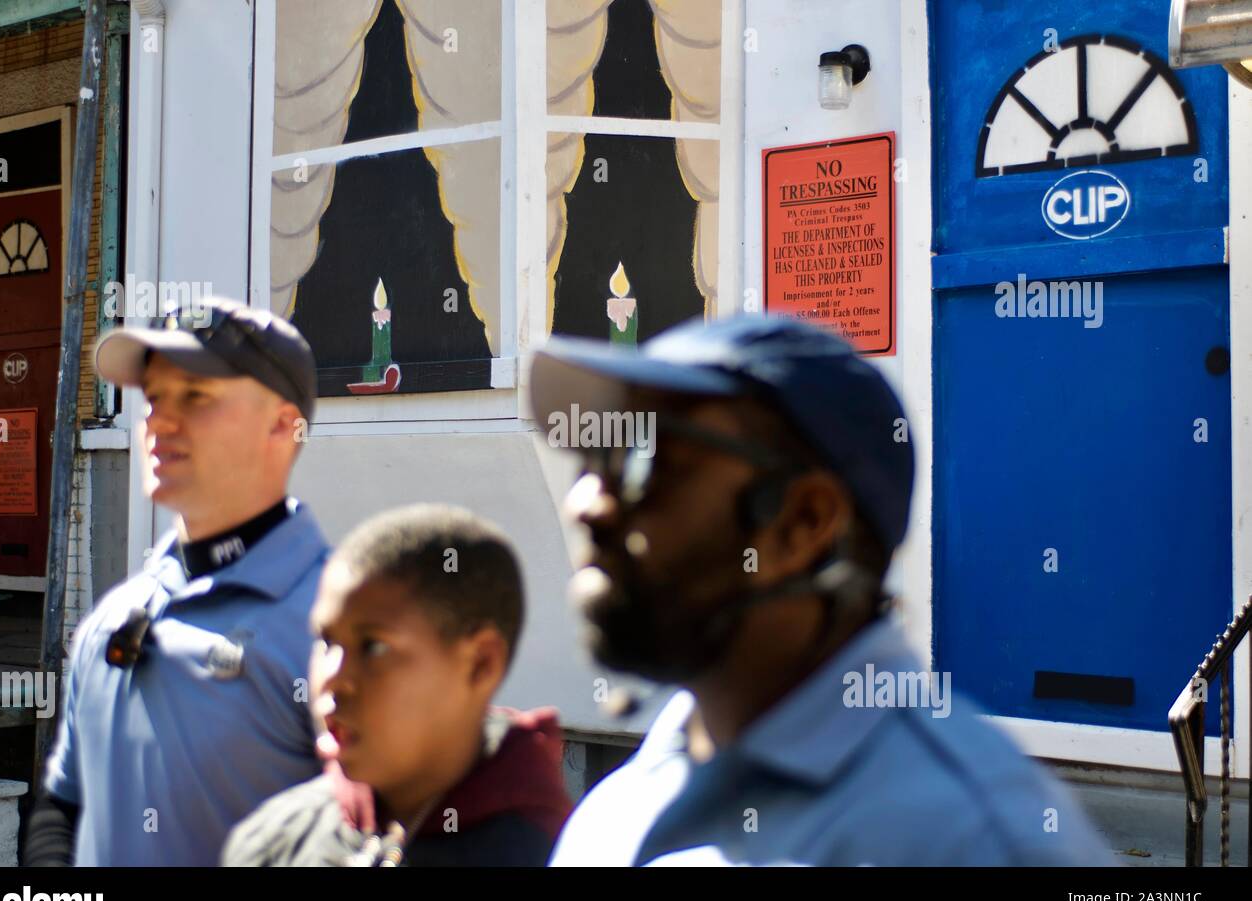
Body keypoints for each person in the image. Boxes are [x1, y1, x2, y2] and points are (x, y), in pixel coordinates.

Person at [532, 315, 1112, 866]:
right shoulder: (617, 806)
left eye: (641, 460)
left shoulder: (975, 840)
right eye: (592, 455)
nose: (584, 503)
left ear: (803, 524)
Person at [26, 297, 328, 866]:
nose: (159, 421)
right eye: (156, 397)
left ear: (284, 427)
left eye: (196, 397)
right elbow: (62, 804)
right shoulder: (110, 620)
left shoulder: (341, 627)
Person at [221, 503, 573, 867]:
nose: (334, 679)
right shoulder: (271, 841)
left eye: (373, 646)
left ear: (481, 664)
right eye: (326, 642)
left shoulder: (561, 853)